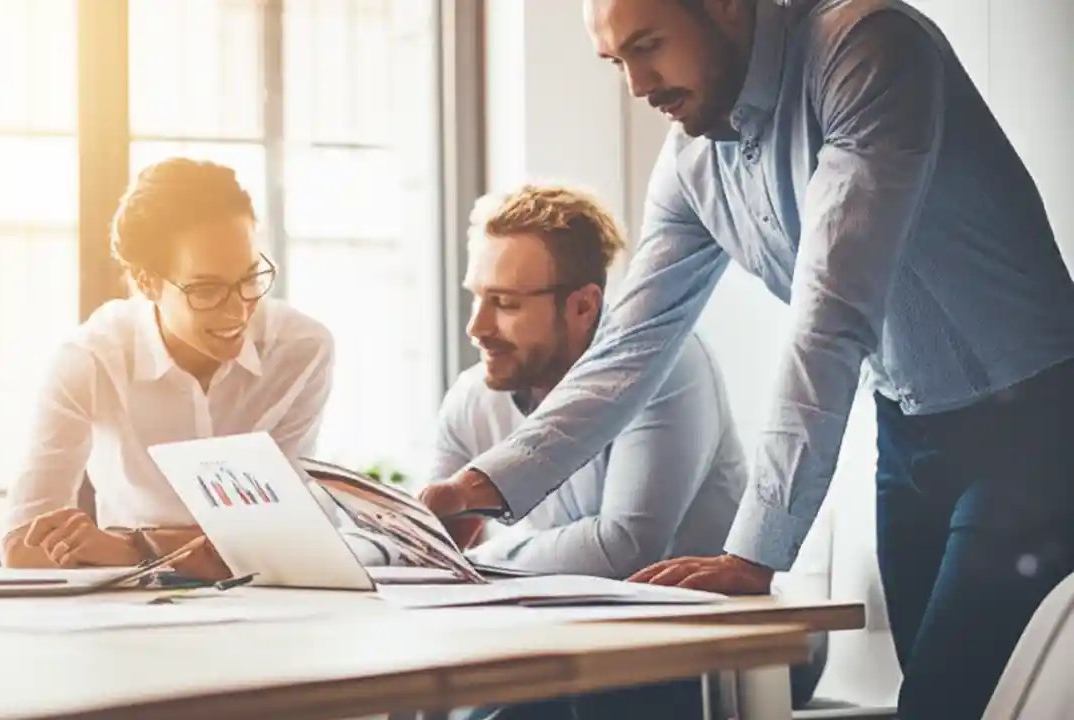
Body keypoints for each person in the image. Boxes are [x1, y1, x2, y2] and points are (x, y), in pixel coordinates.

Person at [420, 1, 1074, 718]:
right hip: (909, 434)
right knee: (942, 703)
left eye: (649, 46)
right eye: (617, 61)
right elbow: (626, 350)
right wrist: (479, 487)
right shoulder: (692, 164)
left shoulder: (867, 49)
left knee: (954, 704)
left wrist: (753, 553)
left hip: (1037, 418)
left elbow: (832, 313)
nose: (637, 85)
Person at [0, 158, 336, 577]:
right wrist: (205, 552)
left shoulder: (300, 350)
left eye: (250, 277)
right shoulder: (91, 358)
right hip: (134, 608)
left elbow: (282, 543)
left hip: (266, 602)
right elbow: (22, 546)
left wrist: (132, 548)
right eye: (207, 289)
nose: (239, 309)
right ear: (146, 282)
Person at [433, 184, 746, 578]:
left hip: (703, 630)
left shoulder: (668, 364)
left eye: (506, 303)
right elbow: (426, 540)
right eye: (477, 298)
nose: (476, 327)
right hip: (563, 627)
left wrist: (473, 562)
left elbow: (622, 549)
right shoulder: (473, 396)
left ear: (583, 306)